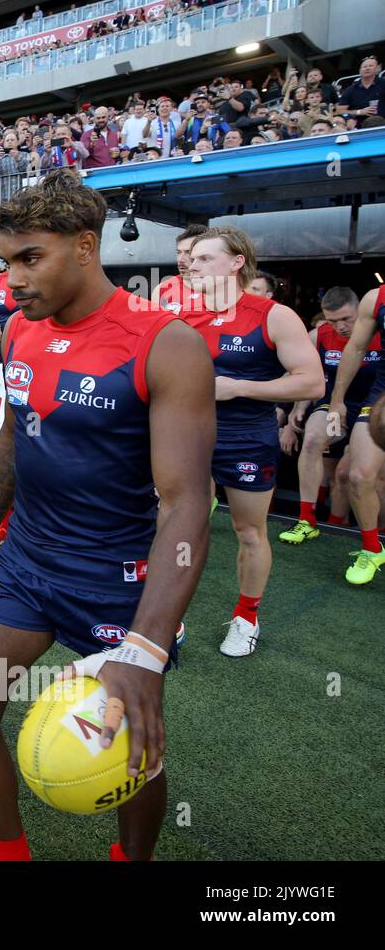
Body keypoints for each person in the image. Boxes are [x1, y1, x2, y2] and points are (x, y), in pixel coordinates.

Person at [0, 171, 215, 862]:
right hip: (26, 563)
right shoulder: (24, 330)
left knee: (133, 747)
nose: (13, 279)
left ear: (86, 247)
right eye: (6, 262)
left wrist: (144, 651)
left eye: (30, 258)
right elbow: (14, 428)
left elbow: (186, 504)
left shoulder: (165, 341)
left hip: (118, 579)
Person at [181, 227, 322, 654]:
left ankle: (246, 617)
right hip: (188, 436)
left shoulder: (273, 315)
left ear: (236, 262)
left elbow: (311, 382)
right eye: (190, 258)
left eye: (204, 258)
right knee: (180, 528)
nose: (192, 265)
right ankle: (167, 615)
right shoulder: (181, 315)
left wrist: (240, 387)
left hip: (247, 439)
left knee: (248, 532)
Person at [279, 288, 375, 545]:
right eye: (333, 320)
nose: (340, 327)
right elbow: (306, 376)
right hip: (336, 403)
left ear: (360, 311)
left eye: (346, 319)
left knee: (349, 473)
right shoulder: (318, 336)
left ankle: (372, 536)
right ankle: (306, 520)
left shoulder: (379, 332)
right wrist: (298, 409)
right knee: (311, 440)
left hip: (375, 408)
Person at [326, 283, 385, 583]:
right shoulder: (377, 298)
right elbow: (356, 348)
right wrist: (337, 401)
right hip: (380, 397)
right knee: (358, 475)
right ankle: (373, 548)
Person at [155, 224, 209, 315]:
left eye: (188, 252)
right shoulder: (162, 288)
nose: (180, 259)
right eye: (178, 252)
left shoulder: (222, 286)